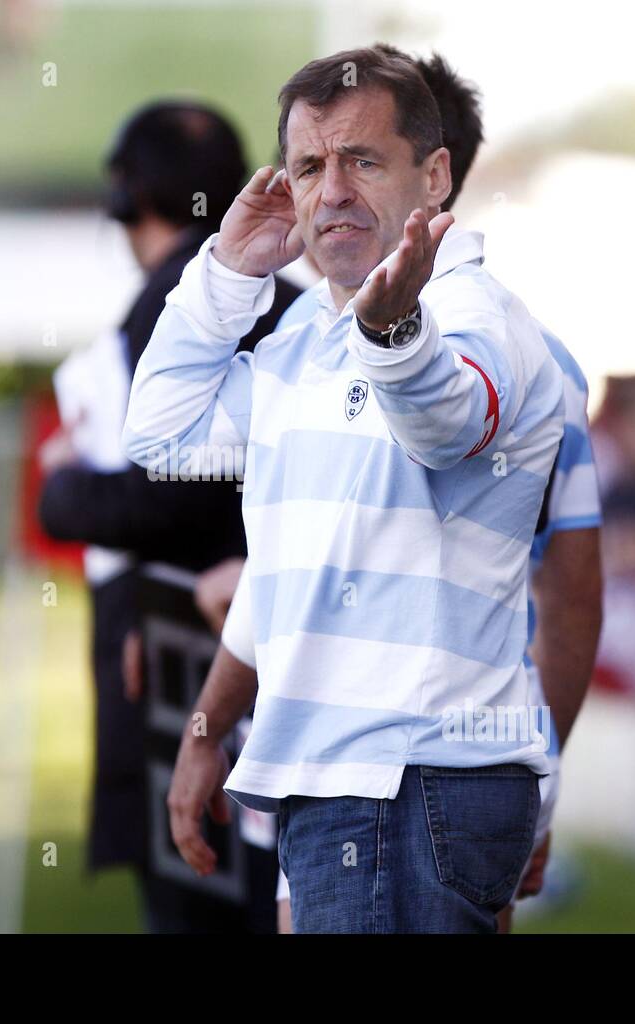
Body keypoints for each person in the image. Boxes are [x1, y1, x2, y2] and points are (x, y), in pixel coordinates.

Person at [123, 44, 565, 933]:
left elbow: (444, 424)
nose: (331, 191)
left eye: (362, 160)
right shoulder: (303, 339)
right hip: (338, 781)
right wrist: (227, 273)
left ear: (435, 176)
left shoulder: (475, 310)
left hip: (411, 781)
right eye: (309, 166)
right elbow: (160, 436)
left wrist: (395, 328)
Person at [37, 101, 299, 932]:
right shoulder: (298, 305)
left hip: (191, 650)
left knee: (204, 898)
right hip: (275, 644)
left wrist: (62, 489)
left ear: (129, 194)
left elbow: (167, 493)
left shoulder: (180, 302)